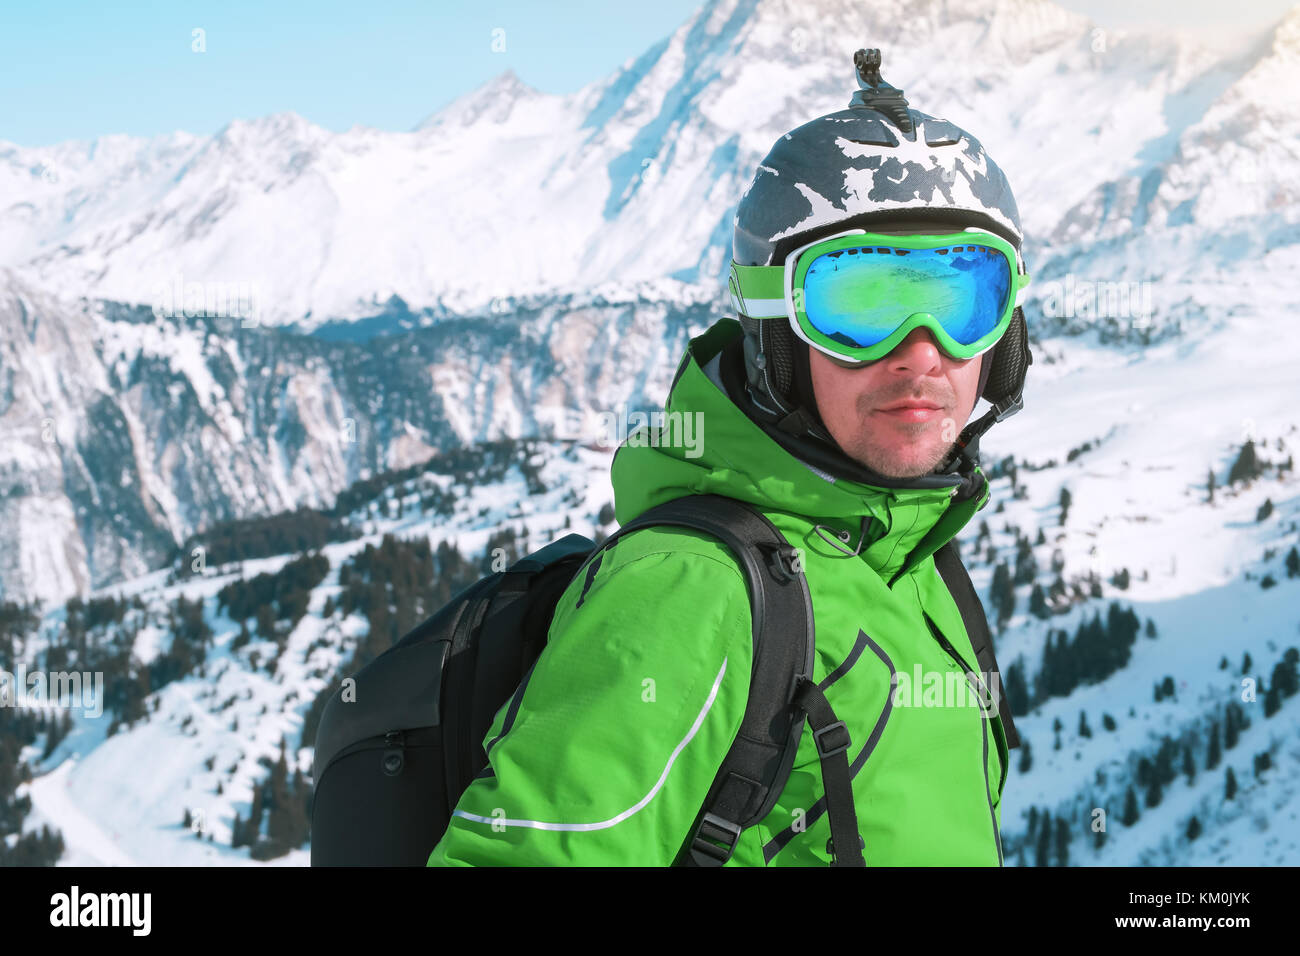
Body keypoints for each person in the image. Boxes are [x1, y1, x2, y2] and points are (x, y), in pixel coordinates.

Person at [428, 49, 1030, 867]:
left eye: (964, 301)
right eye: (860, 304)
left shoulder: (912, 560)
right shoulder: (693, 588)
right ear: (776, 333)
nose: (921, 354)